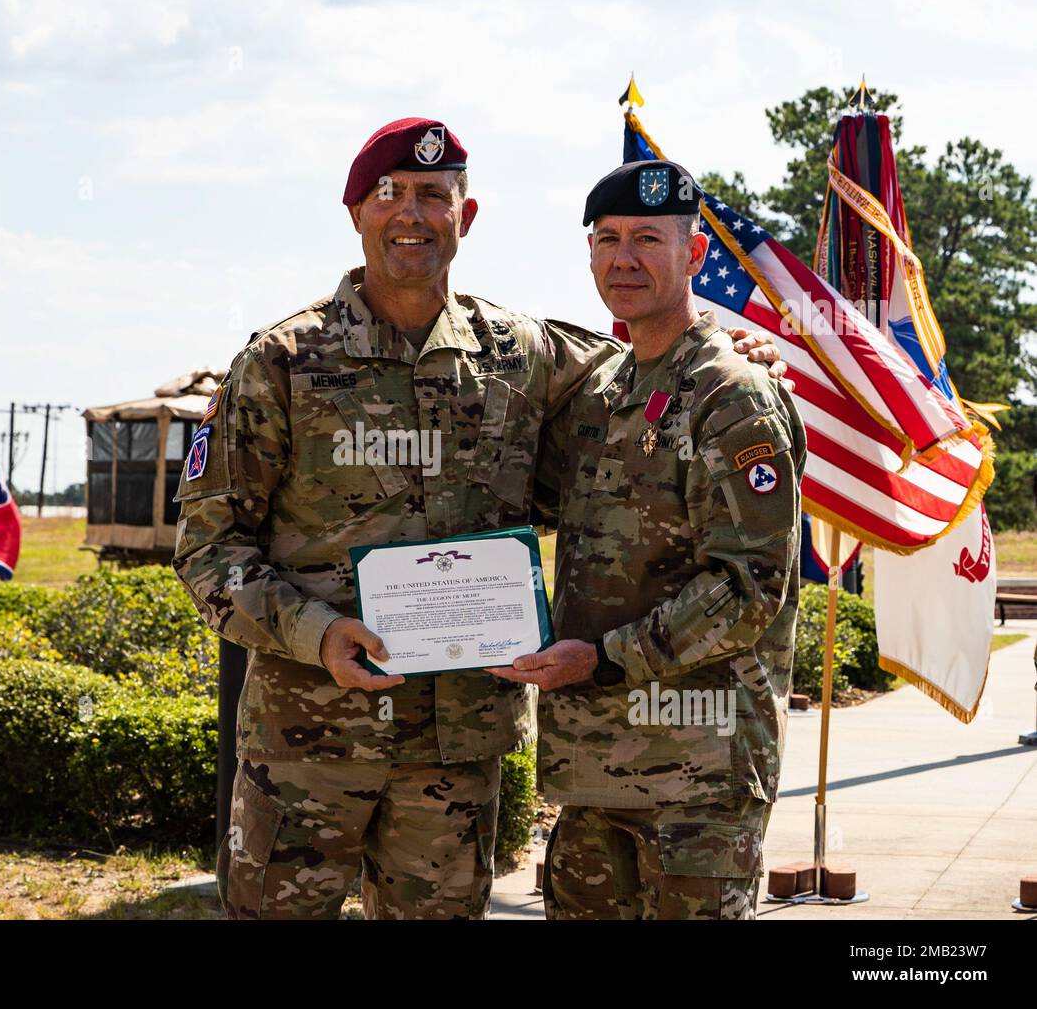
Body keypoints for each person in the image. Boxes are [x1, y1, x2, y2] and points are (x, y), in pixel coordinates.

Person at [173, 122, 784, 920]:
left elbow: (654, 369)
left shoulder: (518, 353)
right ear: (356, 210)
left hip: (453, 761)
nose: (412, 214)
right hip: (307, 749)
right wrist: (314, 632)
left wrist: (740, 355)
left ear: (466, 215)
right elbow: (209, 551)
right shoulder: (282, 362)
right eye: (390, 194)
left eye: (435, 194)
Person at [490, 159, 806, 920]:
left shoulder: (733, 396)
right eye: (607, 239)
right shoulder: (602, 394)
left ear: (693, 256)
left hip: (698, 777)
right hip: (595, 770)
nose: (624, 258)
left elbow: (748, 590)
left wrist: (601, 658)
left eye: (648, 240)